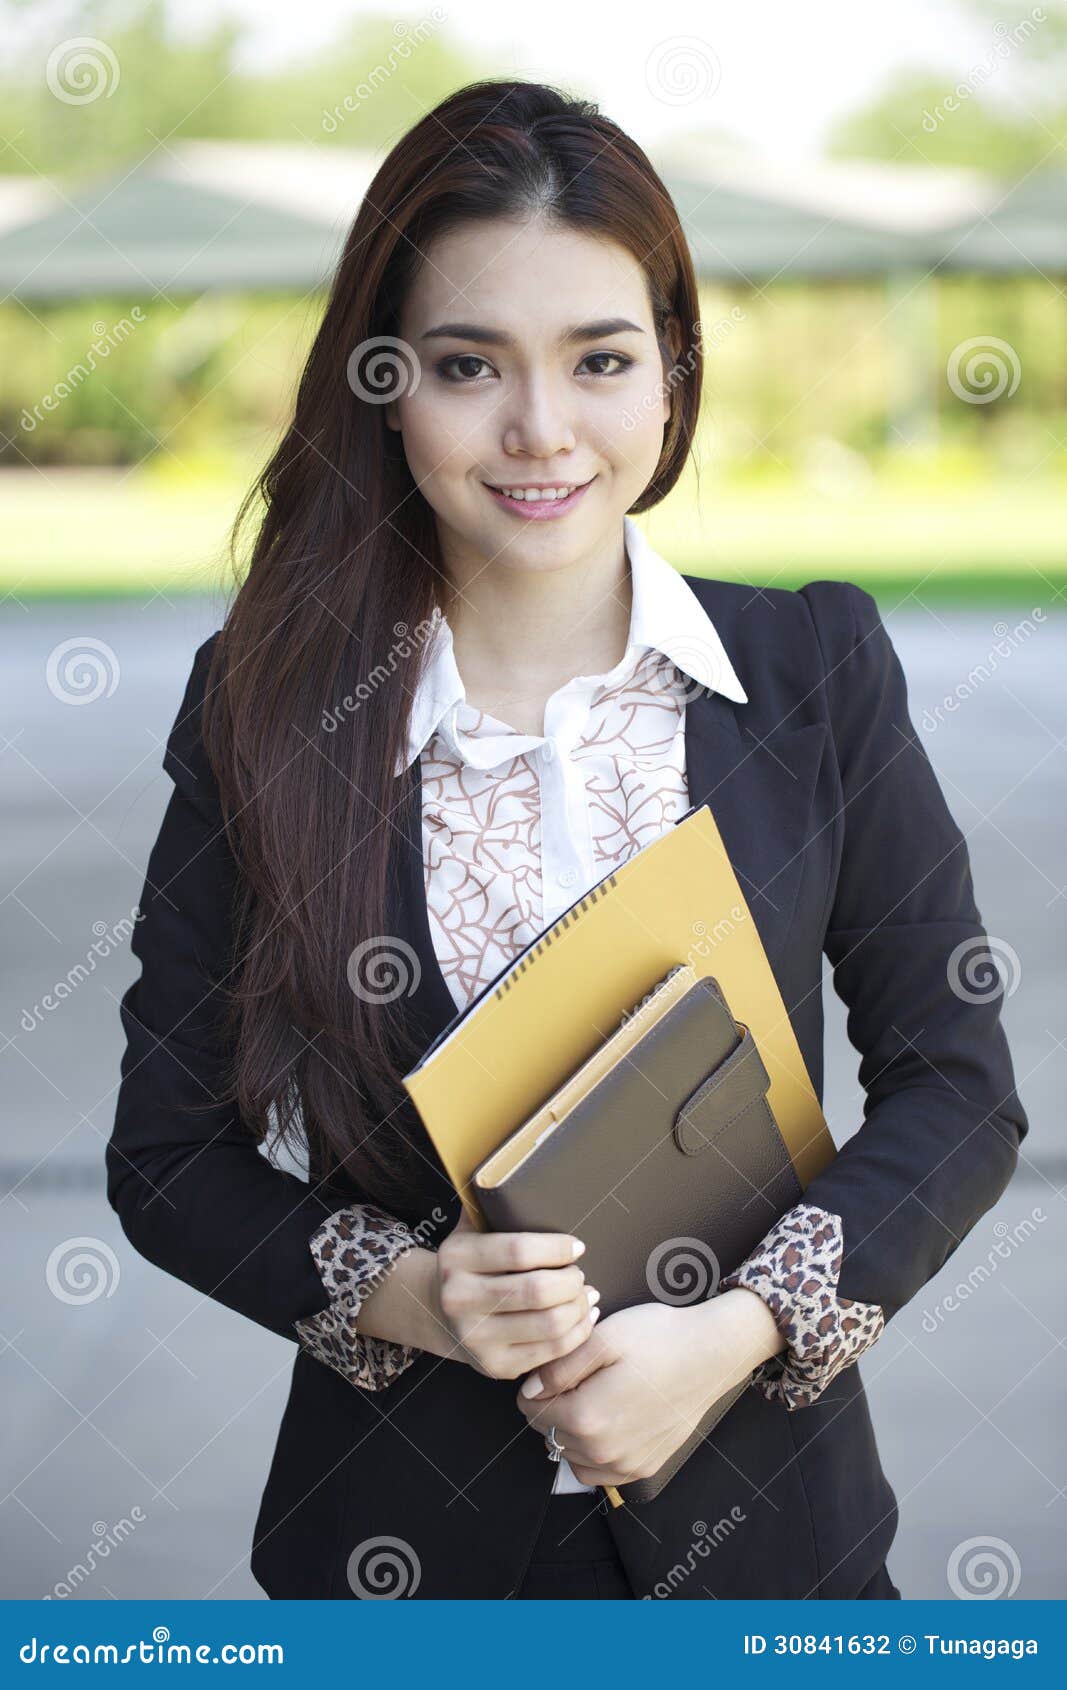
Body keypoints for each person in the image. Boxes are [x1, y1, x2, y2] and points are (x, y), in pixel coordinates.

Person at [106, 79, 1028, 1601]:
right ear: (385, 382)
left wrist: (736, 1334)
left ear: (671, 374)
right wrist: (416, 1296)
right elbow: (167, 1157)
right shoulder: (266, 707)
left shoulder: (814, 673)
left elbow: (960, 1088)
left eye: (600, 359)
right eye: (468, 365)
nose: (541, 430)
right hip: (399, 1572)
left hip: (773, 1559)